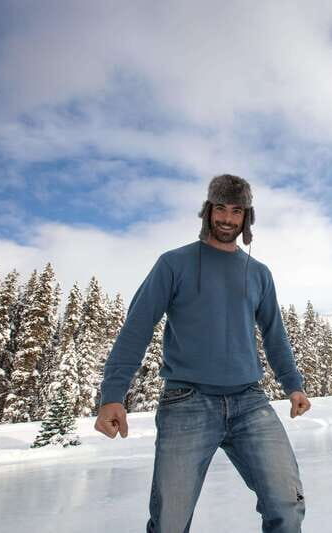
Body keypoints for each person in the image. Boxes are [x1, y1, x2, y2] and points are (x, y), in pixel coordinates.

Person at [94, 174, 311, 533]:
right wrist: (113, 394)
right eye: (221, 208)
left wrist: (294, 384)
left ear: (247, 217)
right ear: (208, 211)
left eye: (236, 211)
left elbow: (275, 334)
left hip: (250, 402)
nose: (227, 219)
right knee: (170, 523)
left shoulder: (258, 273)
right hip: (187, 402)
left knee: (288, 505)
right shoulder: (173, 264)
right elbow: (136, 327)